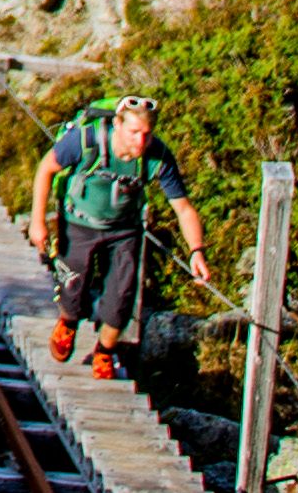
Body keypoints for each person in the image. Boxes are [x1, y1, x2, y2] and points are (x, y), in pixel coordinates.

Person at [27, 89, 213, 382]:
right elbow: (46, 168)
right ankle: (68, 322)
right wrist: (37, 221)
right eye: (134, 132)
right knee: (72, 286)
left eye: (147, 134)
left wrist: (196, 251)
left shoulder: (158, 158)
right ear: (117, 124)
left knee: (121, 297)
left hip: (124, 231)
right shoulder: (87, 139)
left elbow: (184, 209)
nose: (140, 141)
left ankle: (105, 350)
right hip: (79, 221)